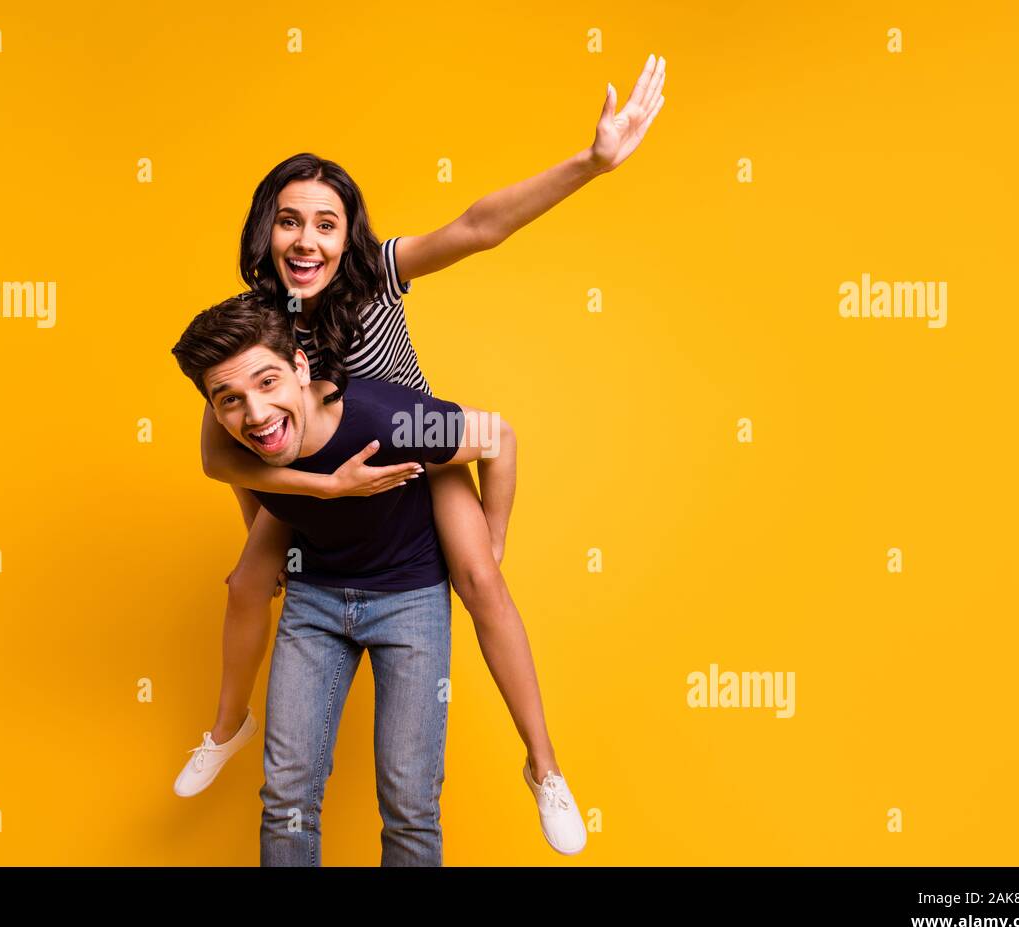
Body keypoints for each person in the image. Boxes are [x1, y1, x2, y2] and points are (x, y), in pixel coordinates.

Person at [174, 53, 666, 856]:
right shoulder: (250, 323)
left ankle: (544, 770)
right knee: (246, 581)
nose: (307, 240)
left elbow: (477, 228)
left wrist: (591, 162)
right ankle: (229, 724)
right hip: (322, 477)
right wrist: (318, 495)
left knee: (480, 581)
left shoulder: (374, 276)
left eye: (327, 224)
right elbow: (221, 456)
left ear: (348, 235)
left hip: (419, 452)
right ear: (265, 230)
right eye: (290, 221)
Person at [172, 293, 521, 865]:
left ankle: (545, 766)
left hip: (410, 599)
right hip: (314, 598)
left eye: (266, 384)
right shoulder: (242, 435)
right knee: (286, 795)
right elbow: (241, 477)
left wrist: (493, 538)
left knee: (411, 804)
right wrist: (309, 510)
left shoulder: (387, 417)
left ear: (300, 368)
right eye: (230, 399)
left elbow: (498, 436)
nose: (255, 413)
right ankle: (227, 727)